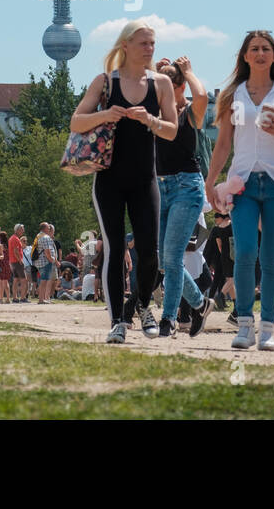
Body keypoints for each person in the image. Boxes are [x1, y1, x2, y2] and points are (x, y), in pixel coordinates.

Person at [71, 19, 179, 344]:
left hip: (146, 180)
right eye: (144, 43)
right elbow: (76, 122)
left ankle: (143, 306)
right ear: (125, 46)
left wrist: (151, 119)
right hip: (109, 180)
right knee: (116, 249)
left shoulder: (161, 84)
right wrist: (106, 114)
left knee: (150, 253)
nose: (150, 49)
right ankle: (118, 320)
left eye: (152, 43)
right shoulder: (105, 82)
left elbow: (172, 130)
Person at [204, 30, 274, 351]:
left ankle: (267, 328)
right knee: (246, 252)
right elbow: (223, 144)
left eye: (266, 49)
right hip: (243, 183)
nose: (260, 53)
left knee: (272, 257)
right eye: (254, 49)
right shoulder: (233, 95)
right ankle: (245, 325)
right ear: (245, 56)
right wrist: (210, 181)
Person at [154, 57, 214, 338]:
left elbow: (201, 95)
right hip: (161, 187)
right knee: (165, 261)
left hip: (187, 187)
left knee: (174, 256)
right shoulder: (155, 111)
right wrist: (157, 71)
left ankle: (169, 319)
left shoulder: (190, 112)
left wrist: (189, 71)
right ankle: (201, 305)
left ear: (177, 87)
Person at [9, 225, 28, 302]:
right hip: (17, 262)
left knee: (16, 280)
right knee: (24, 280)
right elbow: (15, 251)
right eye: (21, 229)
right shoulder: (15, 239)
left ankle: (15, 298)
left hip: (13, 262)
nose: (23, 231)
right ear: (16, 230)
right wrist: (20, 260)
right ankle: (23, 298)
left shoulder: (12, 238)